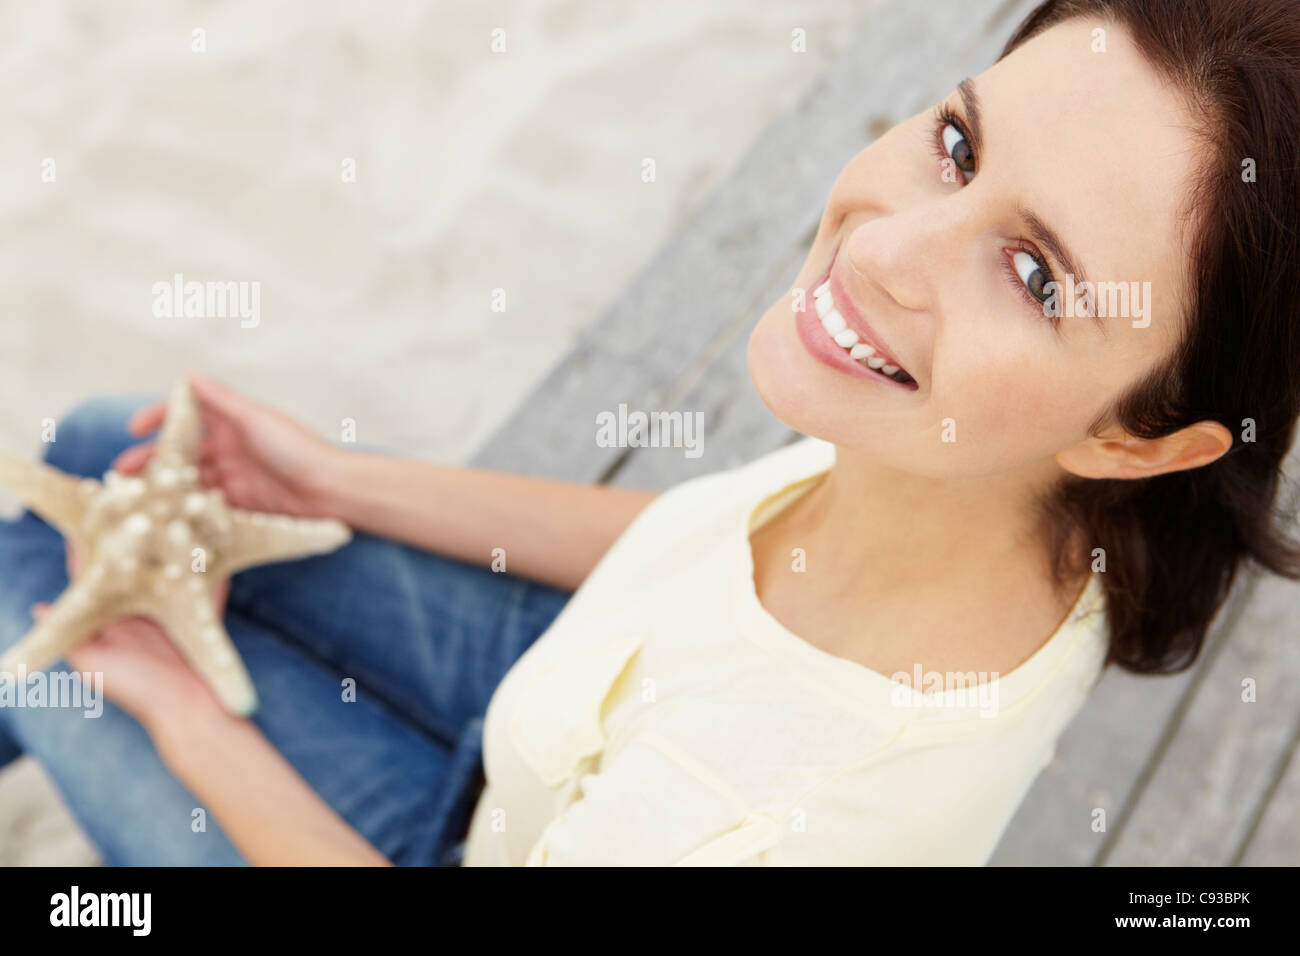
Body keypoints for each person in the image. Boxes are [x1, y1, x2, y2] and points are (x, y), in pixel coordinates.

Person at [3, 0, 1300, 865]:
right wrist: (333, 476)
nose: (887, 248)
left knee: (24, 593)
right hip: (565, 696)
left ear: (1141, 438)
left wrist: (184, 713)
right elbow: (694, 546)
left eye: (1035, 275)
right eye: (958, 145)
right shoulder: (997, 486)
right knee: (105, 442)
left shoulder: (774, 813)